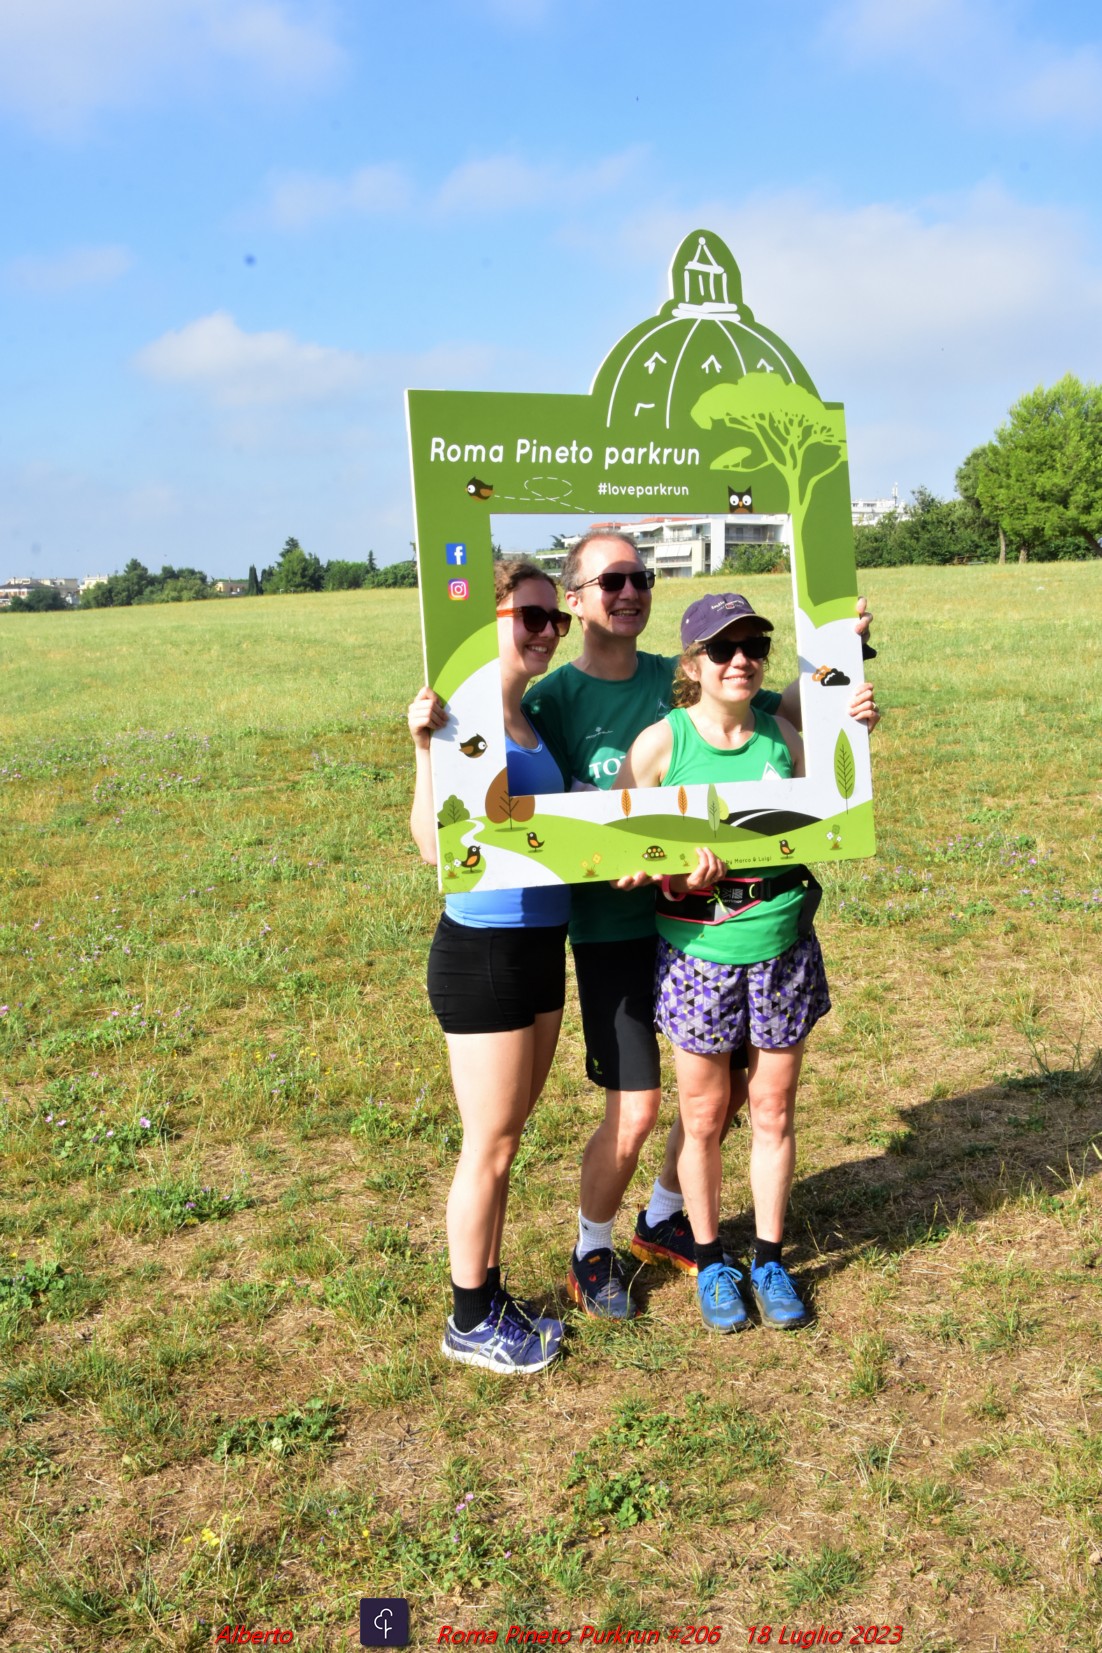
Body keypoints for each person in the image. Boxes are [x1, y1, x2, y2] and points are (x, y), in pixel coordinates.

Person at [524, 531, 878, 1321]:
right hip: (636, 929)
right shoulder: (565, 704)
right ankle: (598, 1246)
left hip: (752, 931)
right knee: (656, 1106)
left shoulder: (699, 696)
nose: (630, 590)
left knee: (746, 1094)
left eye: (640, 576)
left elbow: (787, 723)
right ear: (575, 598)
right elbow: (565, 808)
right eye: (611, 578)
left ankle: (672, 1221)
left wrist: (842, 669)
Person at [620, 592, 838, 1331]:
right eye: (722, 648)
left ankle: (770, 1255)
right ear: (693, 663)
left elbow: (832, 807)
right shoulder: (659, 744)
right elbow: (618, 848)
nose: (740, 659)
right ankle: (712, 1260)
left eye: (754, 646)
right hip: (699, 956)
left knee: (774, 1106)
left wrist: (853, 704)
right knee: (705, 1114)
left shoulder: (783, 738)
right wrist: (674, 867)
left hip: (780, 946)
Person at [408, 557, 573, 1372]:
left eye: (555, 620)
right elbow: (433, 845)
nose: (545, 632)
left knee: (509, 1135)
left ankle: (490, 1294)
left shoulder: (531, 716)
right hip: (486, 950)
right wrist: (421, 749)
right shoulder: (458, 715)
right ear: (493, 618)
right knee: (490, 1142)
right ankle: (469, 1318)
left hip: (544, 941)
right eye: (530, 617)